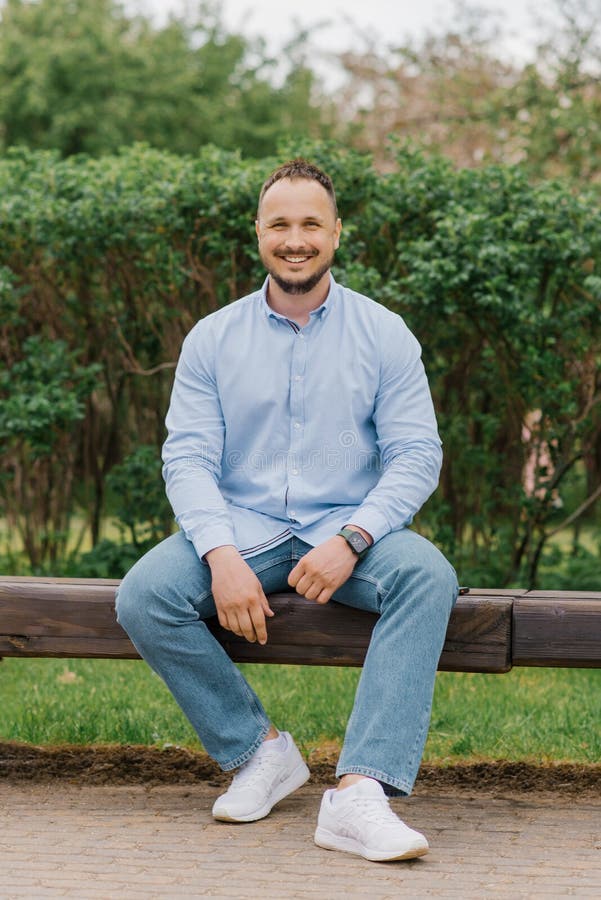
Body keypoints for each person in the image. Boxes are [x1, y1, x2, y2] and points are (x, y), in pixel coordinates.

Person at [116, 158, 458, 863]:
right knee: (145, 596)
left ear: (336, 232)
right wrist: (219, 555)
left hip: (348, 529)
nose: (295, 239)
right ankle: (259, 752)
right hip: (242, 527)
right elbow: (187, 458)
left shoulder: (384, 333)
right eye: (280, 224)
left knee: (427, 577)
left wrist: (354, 537)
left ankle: (360, 793)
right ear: (258, 233)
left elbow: (416, 454)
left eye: (310, 224)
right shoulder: (213, 337)